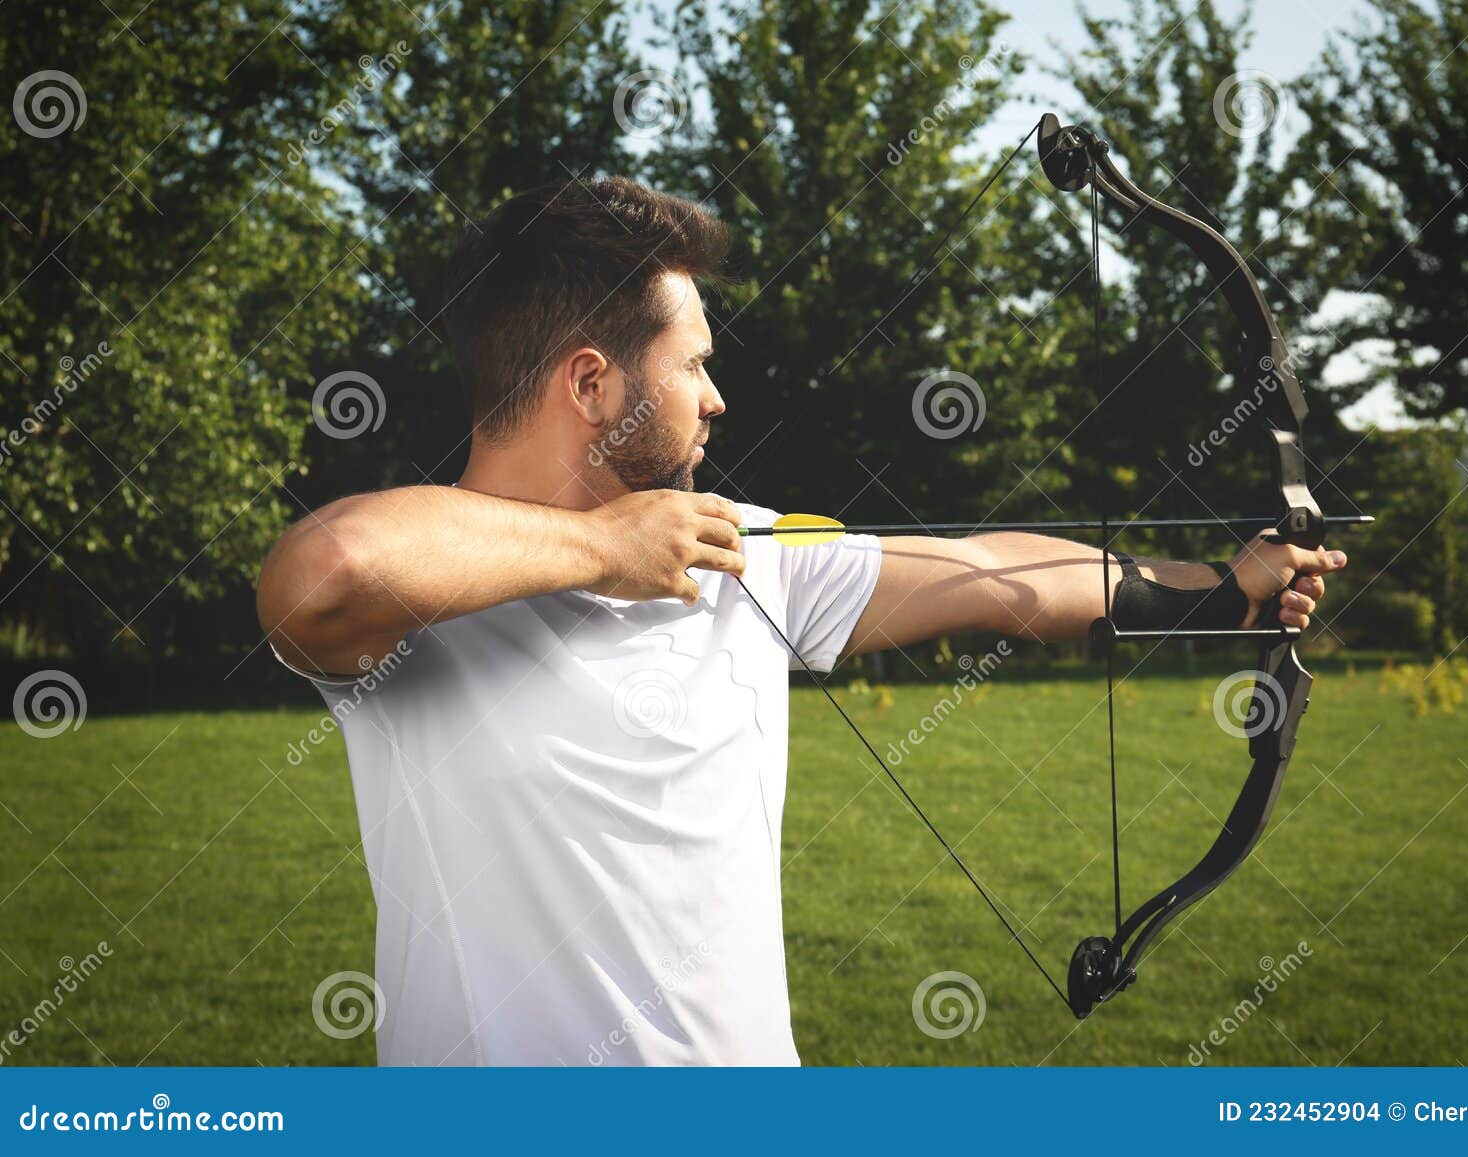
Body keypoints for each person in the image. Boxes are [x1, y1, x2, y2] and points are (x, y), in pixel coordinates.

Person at [256, 176, 1346, 1066]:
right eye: (694, 365)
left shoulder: (739, 547)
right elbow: (322, 569)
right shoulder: (410, 617)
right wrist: (605, 548)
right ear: (593, 384)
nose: (715, 398)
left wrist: (1219, 587)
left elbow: (987, 573)